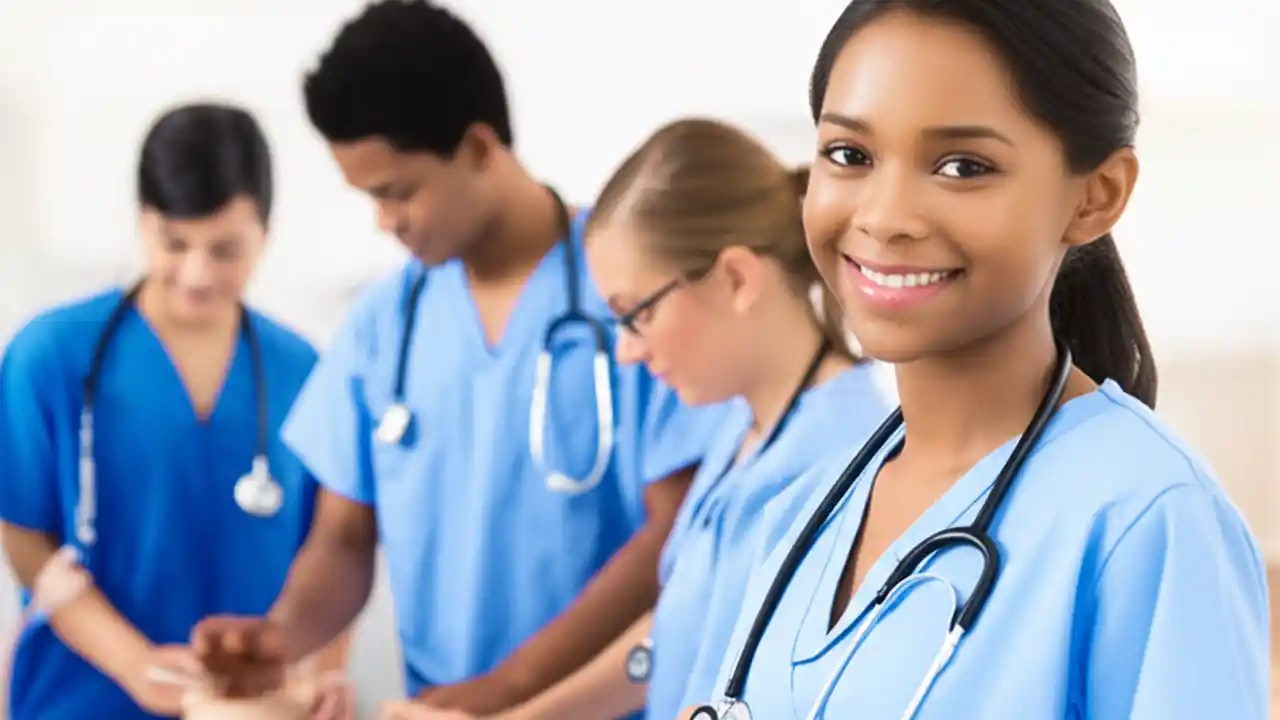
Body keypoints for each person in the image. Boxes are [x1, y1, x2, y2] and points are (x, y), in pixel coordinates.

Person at [683, 1, 1270, 719]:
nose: (884, 217)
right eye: (850, 155)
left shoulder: (1151, 518)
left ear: (1096, 196)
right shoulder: (802, 516)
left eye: (963, 166)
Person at [189, 2, 724, 716]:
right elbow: (344, 539)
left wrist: (507, 691)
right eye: (370, 199)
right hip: (439, 707)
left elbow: (675, 534)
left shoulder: (630, 290)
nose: (386, 221)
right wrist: (280, 636)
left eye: (399, 192)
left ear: (476, 147)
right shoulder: (384, 321)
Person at [382, 119, 894, 720]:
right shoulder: (742, 430)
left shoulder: (844, 460)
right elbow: (666, 643)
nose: (626, 351)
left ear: (735, 279)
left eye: (636, 315)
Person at [0, 103, 351, 719]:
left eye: (225, 249)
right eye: (175, 243)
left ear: (266, 233)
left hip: (249, 710)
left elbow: (337, 550)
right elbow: (24, 532)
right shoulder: (49, 355)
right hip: (82, 699)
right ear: (143, 222)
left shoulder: (304, 371)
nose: (197, 273)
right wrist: (133, 663)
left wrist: (322, 677)